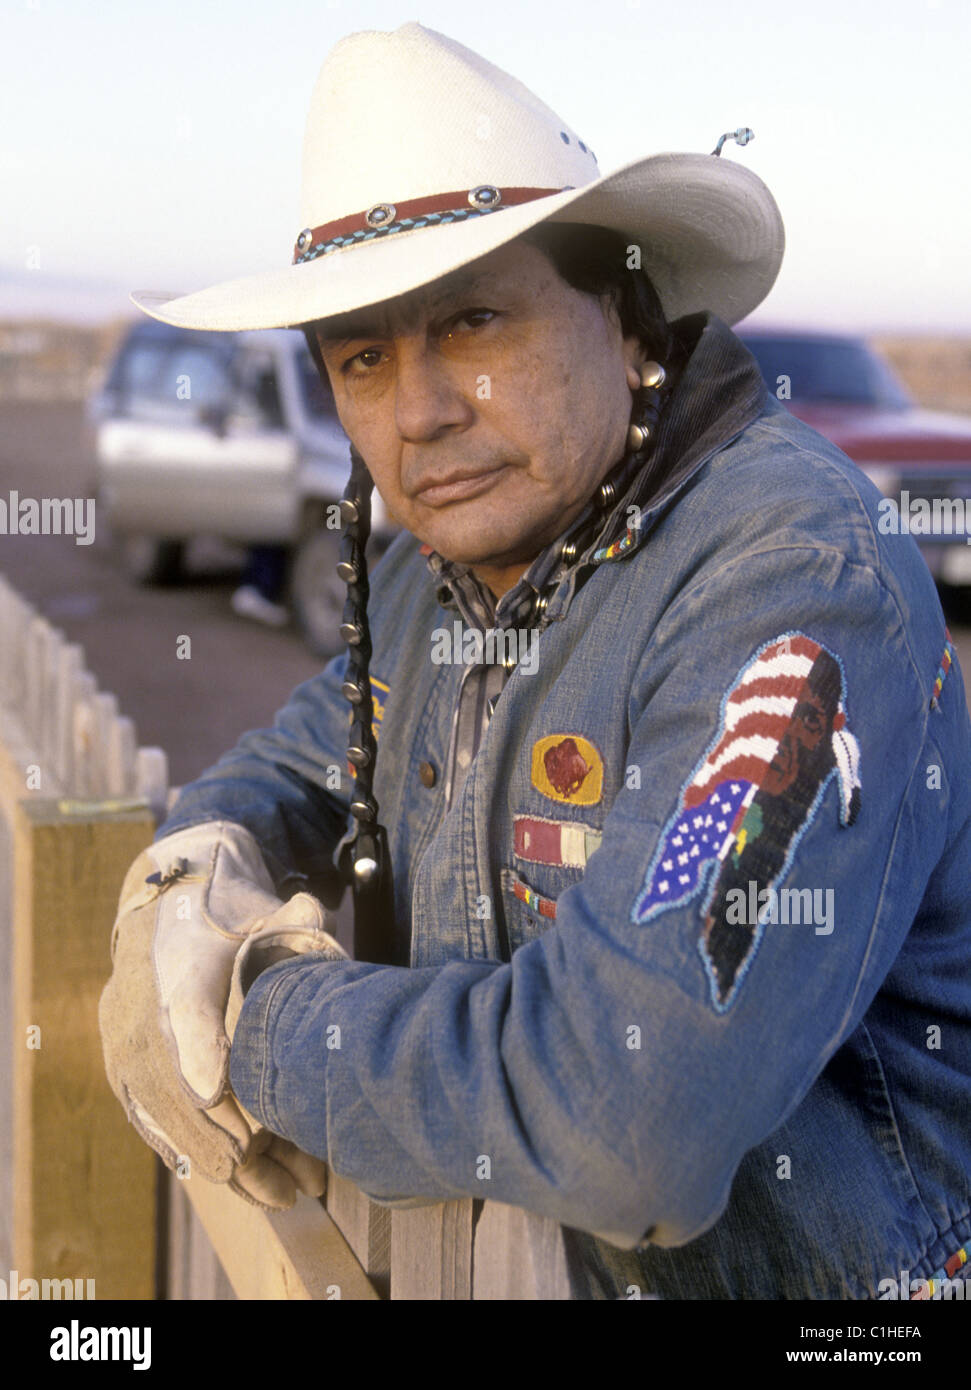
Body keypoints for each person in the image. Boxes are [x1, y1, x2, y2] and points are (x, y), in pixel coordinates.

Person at [99, 21, 971, 1300]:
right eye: (362, 354)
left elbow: (633, 1123)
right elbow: (305, 754)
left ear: (626, 323)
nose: (418, 409)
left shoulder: (788, 579)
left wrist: (252, 1014)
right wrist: (186, 875)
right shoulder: (426, 573)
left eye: (475, 322)